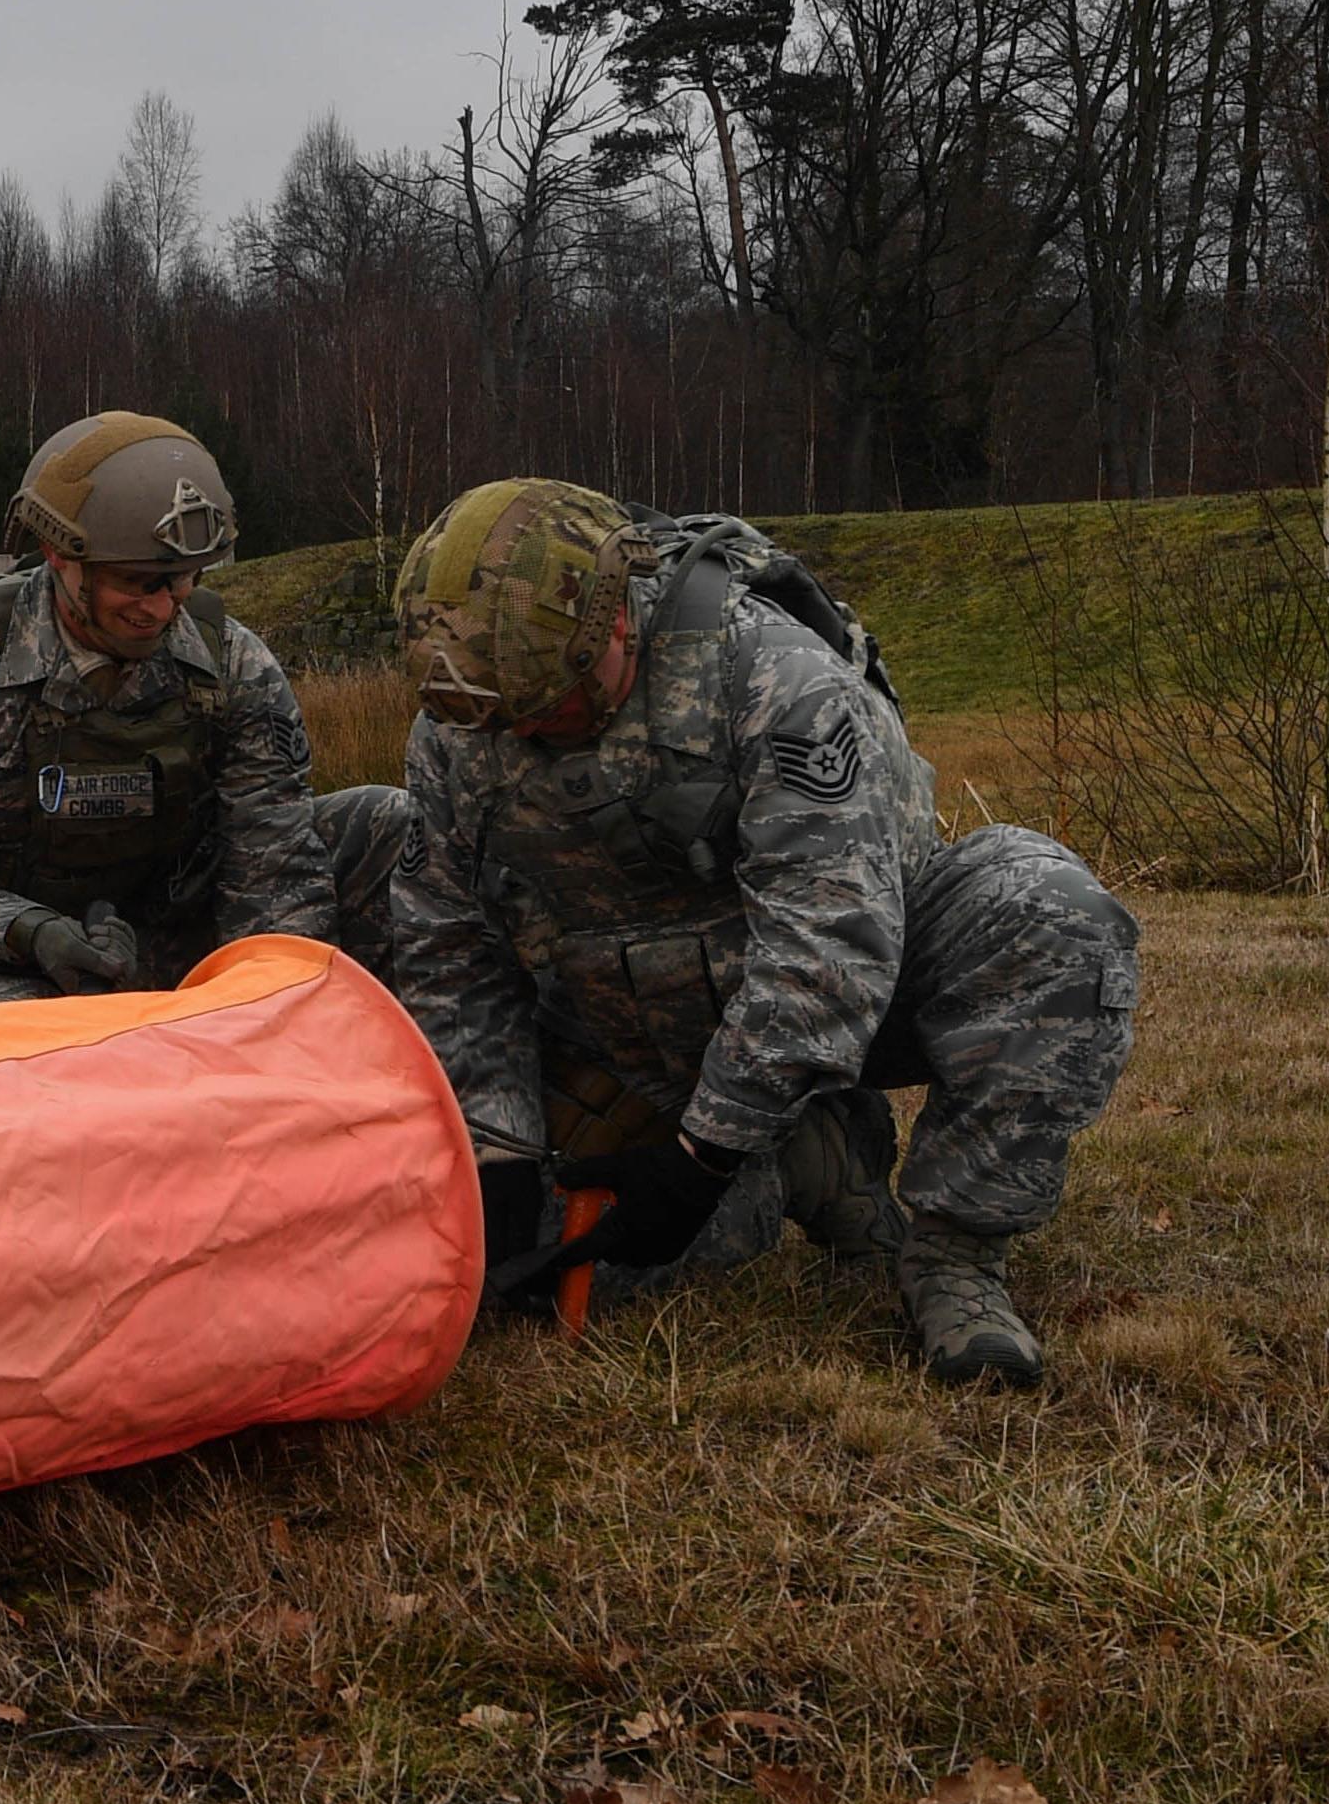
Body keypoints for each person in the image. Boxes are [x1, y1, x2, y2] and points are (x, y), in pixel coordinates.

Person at [384, 477, 1141, 1389]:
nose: (532, 731)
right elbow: (448, 940)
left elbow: (827, 942)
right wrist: (496, 1151)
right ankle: (809, 1160)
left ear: (617, 619)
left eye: (555, 702)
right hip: (623, 1020)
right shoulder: (465, 721)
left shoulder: (772, 678)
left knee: (1053, 910)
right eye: (505, 718)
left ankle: (955, 1257)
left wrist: (701, 1159)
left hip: (837, 1001)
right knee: (552, 1271)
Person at [0, 414, 405, 1019]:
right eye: (136, 583)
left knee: (386, 822)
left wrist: (268, 1004)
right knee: (12, 1030)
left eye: (181, 581)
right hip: (23, 966)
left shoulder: (232, 663)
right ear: (59, 555)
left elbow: (273, 862)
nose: (161, 608)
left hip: (183, 941)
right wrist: (32, 932)